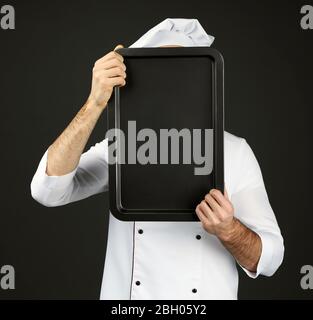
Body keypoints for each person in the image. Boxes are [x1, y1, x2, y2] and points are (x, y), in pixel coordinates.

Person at [30, 18, 284, 300]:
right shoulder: (124, 144)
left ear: (201, 84)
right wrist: (95, 103)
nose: (171, 90)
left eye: (181, 76)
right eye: (160, 78)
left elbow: (269, 259)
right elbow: (48, 190)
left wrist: (229, 230)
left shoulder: (234, 151)